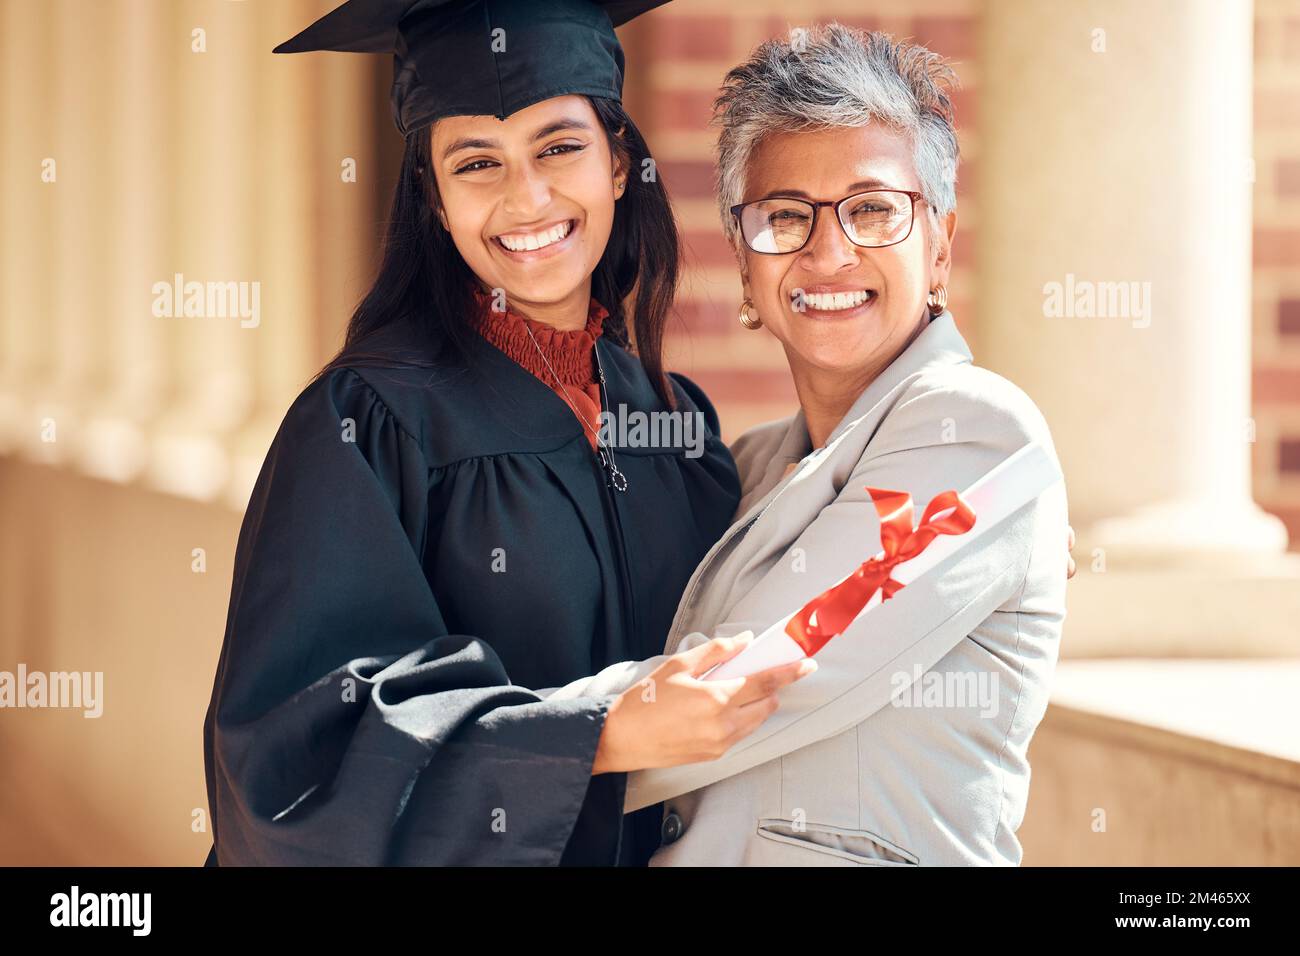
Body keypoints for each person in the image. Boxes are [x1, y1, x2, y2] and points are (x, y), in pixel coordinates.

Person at [201, 0, 813, 868]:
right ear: (434, 198)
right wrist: (593, 733)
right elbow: (293, 764)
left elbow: (767, 603)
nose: (526, 198)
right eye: (476, 162)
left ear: (618, 164)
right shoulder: (362, 427)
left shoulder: (671, 421)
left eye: (559, 147)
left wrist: (966, 525)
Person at [544, 24, 1074, 866]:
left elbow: (749, 684)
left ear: (938, 245)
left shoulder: (978, 437)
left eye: (873, 210)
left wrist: (478, 752)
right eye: (784, 217)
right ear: (746, 265)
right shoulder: (742, 469)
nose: (829, 253)